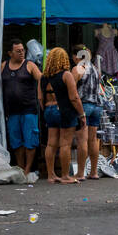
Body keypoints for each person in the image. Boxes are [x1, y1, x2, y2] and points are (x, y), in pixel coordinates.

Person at [40, 47, 85, 184]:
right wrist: (81, 114)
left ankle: (51, 175)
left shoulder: (43, 77)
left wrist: (47, 111)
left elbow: (40, 98)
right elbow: (74, 97)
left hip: (49, 110)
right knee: (65, 143)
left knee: (51, 143)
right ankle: (65, 175)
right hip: (64, 110)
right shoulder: (66, 75)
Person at [0, 40, 41, 177]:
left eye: (23, 50)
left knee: (30, 140)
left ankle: (28, 169)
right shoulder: (4, 66)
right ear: (10, 53)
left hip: (29, 109)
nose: (21, 53)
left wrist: (41, 96)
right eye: (18, 51)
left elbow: (42, 79)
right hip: (11, 111)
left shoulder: (30, 65)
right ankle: (20, 168)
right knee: (16, 141)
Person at [72, 47, 103, 181]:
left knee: (82, 141)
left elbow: (71, 87)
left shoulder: (79, 68)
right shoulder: (95, 69)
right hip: (97, 106)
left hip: (83, 106)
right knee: (93, 139)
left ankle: (80, 173)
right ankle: (94, 172)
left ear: (76, 56)